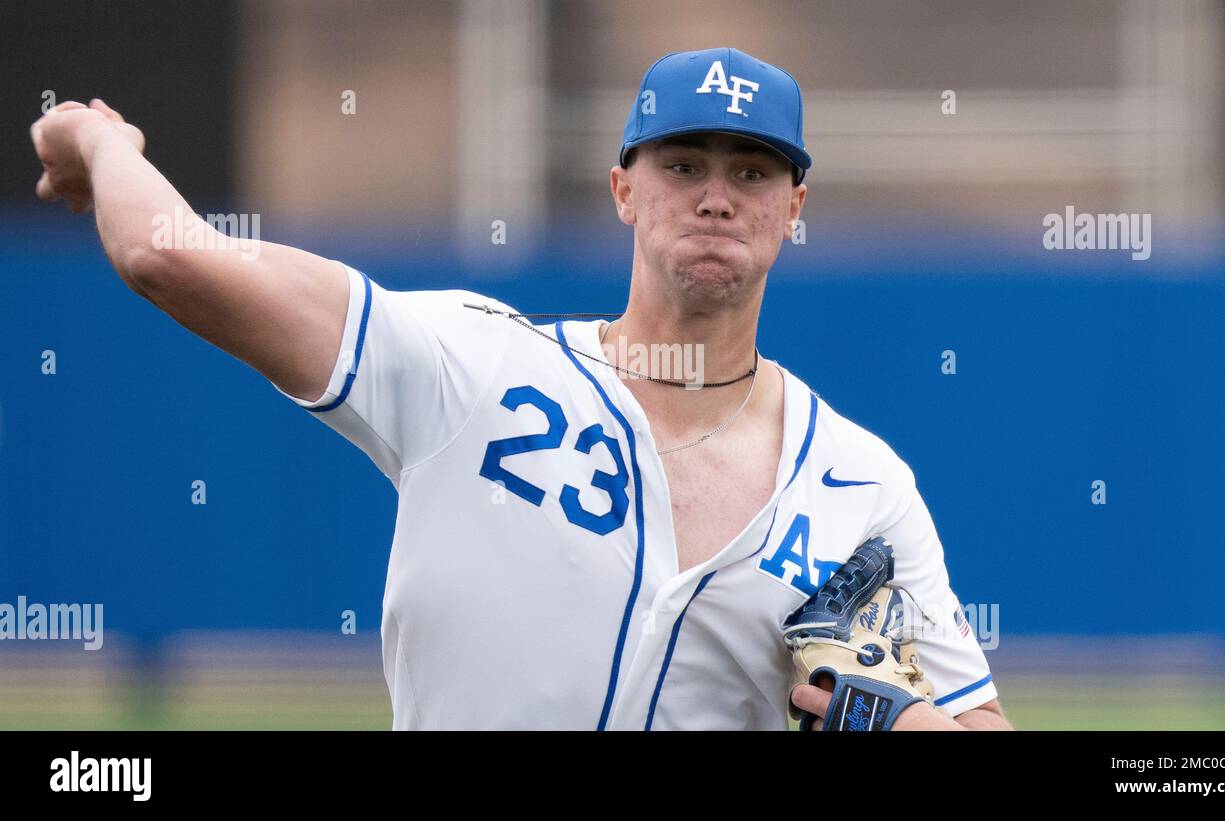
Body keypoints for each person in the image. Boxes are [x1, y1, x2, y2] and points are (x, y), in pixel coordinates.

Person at [29, 46, 1011, 730]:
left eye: (752, 171)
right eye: (683, 161)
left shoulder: (861, 484)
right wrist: (107, 145)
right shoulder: (473, 367)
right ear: (623, 187)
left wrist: (903, 719)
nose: (716, 194)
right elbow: (171, 258)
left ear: (793, 207)